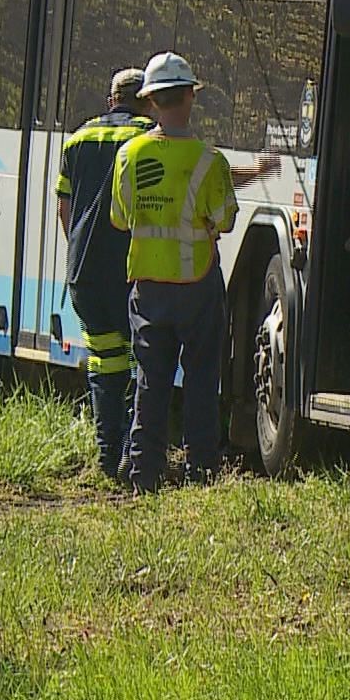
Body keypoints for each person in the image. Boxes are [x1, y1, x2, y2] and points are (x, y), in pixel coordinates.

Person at [110, 51, 277, 491]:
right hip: (197, 286)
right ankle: (200, 471)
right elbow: (224, 220)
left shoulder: (128, 156)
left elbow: (120, 219)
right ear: (189, 98)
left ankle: (143, 472)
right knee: (202, 382)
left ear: (151, 102)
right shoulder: (210, 161)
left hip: (147, 288)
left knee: (150, 381)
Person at [55, 68, 154, 480]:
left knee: (104, 361)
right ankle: (136, 452)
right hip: (130, 270)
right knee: (142, 360)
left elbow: (64, 206)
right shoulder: (151, 137)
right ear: (147, 99)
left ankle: (107, 456)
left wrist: (78, 250)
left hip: (84, 271)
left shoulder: (77, 139)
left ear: (110, 99)